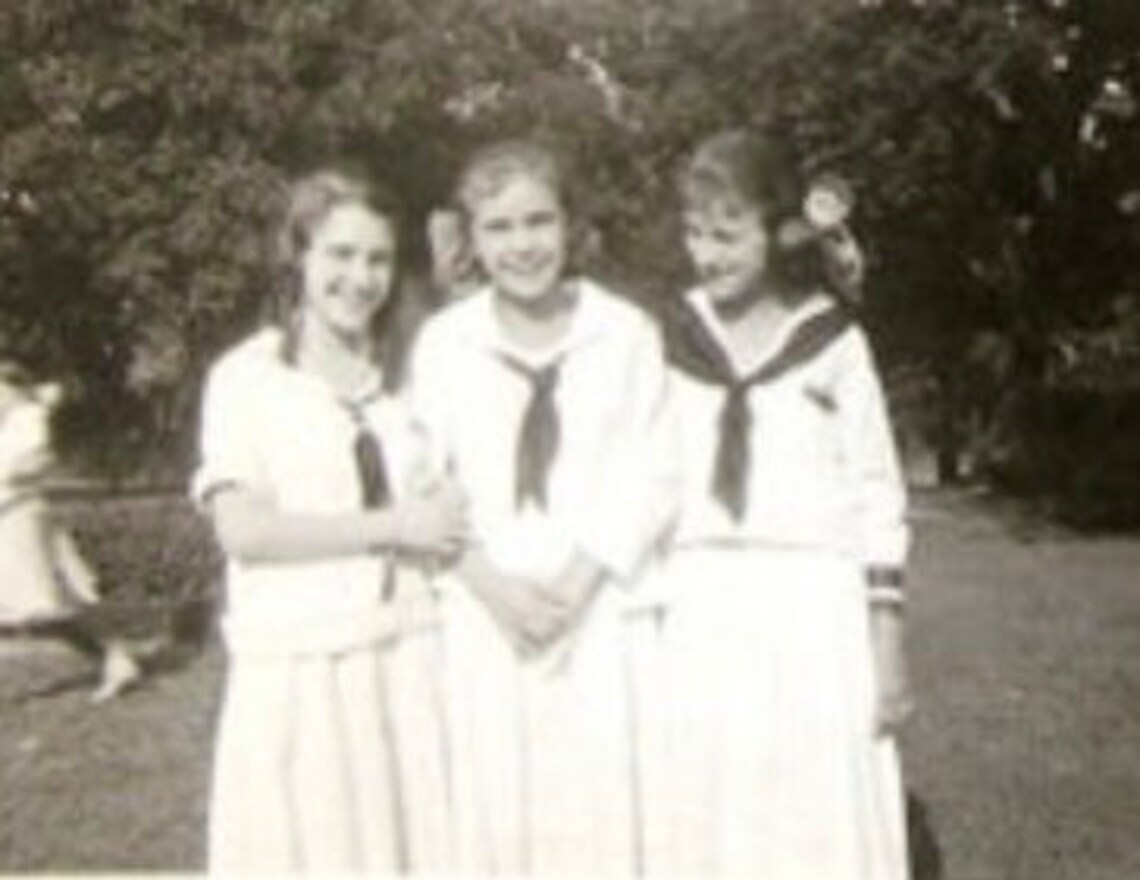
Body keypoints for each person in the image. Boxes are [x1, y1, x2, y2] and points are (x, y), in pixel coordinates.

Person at [409, 138, 676, 875]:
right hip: (487, 621)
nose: (522, 245)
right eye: (499, 228)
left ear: (570, 226)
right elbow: (421, 482)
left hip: (601, 617)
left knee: (606, 823)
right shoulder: (445, 344)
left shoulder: (625, 334)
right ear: (471, 242)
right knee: (500, 825)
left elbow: (652, 472)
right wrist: (493, 589)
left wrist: (576, 585)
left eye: (538, 221)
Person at [651, 128, 912, 878]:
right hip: (698, 605)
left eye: (728, 235)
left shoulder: (831, 340)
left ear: (776, 231)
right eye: (695, 234)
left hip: (809, 612)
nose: (708, 254)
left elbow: (875, 491)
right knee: (707, 809)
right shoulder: (668, 338)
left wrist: (885, 642)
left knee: (807, 815)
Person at [193, 168, 467, 874]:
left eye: (376, 259)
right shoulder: (248, 379)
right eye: (339, 255)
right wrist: (393, 526)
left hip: (408, 665)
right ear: (299, 258)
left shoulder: (415, 376)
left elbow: (448, 504)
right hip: (300, 671)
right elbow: (245, 531)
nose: (359, 278)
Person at [0, 365, 143, 702]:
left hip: (17, 519)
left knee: (39, 611)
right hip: (10, 515)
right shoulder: (11, 423)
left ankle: (115, 658)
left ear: (15, 388)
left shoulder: (28, 420)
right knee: (28, 611)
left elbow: (28, 465)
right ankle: (116, 659)